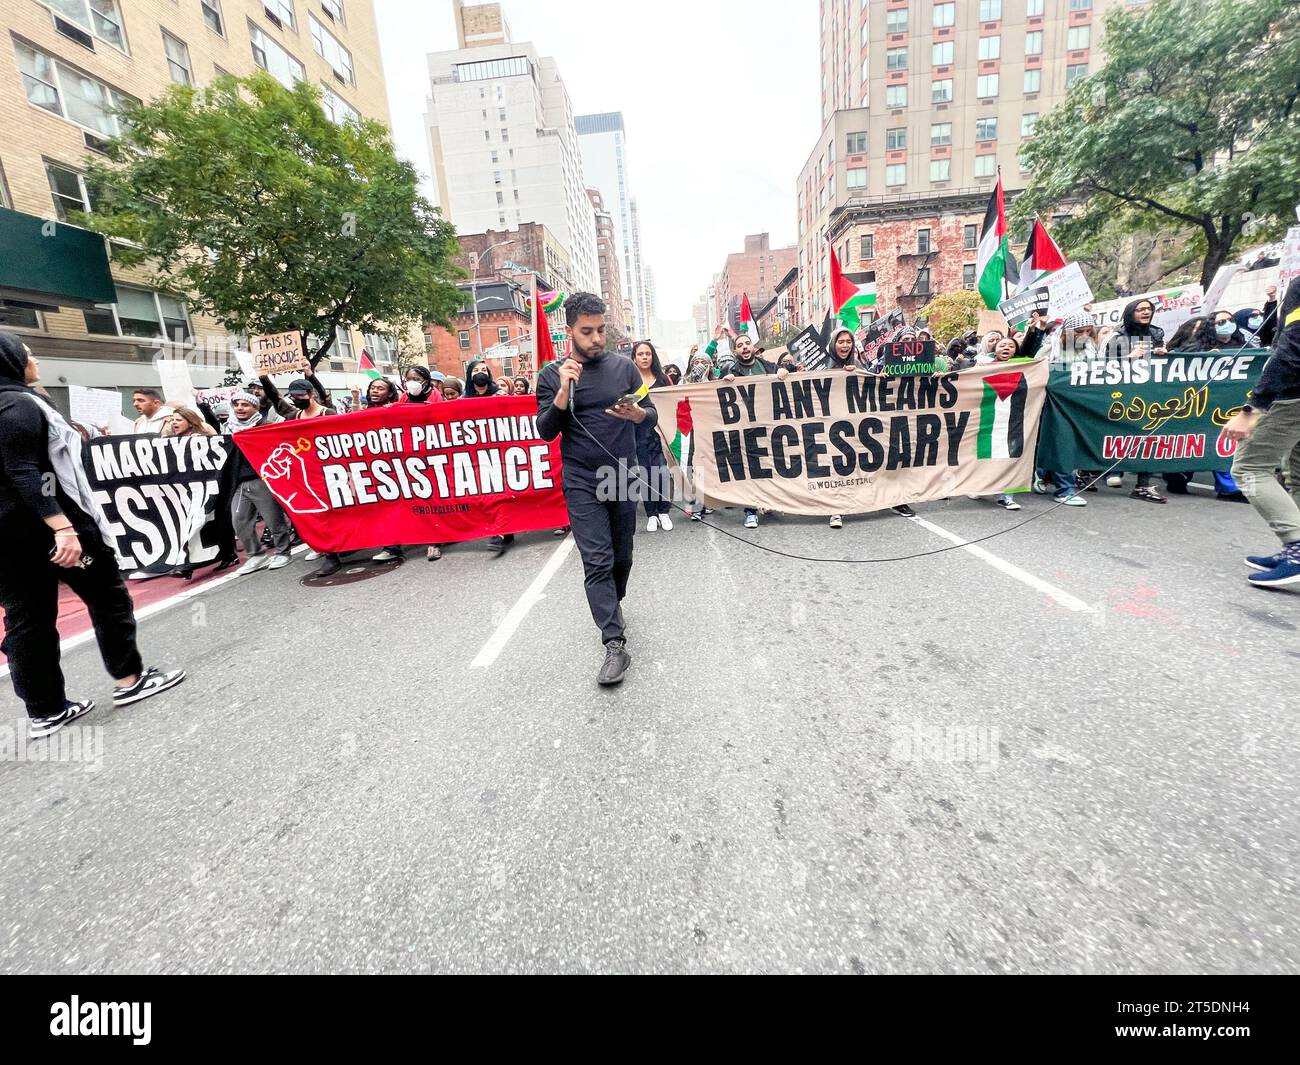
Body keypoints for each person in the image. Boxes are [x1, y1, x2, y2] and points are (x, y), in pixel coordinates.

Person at [0, 333, 185, 738]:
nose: (36, 359)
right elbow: (22, 473)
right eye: (27, 354)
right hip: (53, 529)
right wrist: (63, 528)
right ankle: (130, 679)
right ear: (10, 360)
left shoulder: (16, 400)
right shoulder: (16, 404)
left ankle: (46, 709)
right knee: (106, 595)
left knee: (28, 619)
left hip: (8, 541)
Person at [535, 293, 656, 685]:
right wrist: (563, 391)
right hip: (581, 479)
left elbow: (649, 413)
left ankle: (612, 602)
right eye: (587, 331)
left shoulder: (625, 369)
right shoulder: (553, 375)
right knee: (598, 561)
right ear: (569, 331)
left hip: (622, 474)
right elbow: (545, 430)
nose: (596, 338)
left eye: (601, 330)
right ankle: (614, 643)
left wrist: (639, 414)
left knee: (622, 557)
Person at [1226, 276, 1300, 587]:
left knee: (1249, 468)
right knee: (1297, 472)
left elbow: (1293, 349)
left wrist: (1252, 409)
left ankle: (1296, 547)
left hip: (1293, 395)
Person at [1103, 297, 1167, 502]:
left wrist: (1161, 353)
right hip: (1122, 393)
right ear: (1131, 312)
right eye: (1141, 309)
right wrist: (1130, 357)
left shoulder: (1156, 333)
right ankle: (1100, 471)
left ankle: (1143, 485)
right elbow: (1104, 365)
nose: (1146, 312)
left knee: (1148, 433)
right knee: (1116, 434)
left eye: (1149, 309)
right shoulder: (1117, 336)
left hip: (1149, 392)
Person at [224, 390, 295, 574]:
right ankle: (256, 555)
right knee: (239, 521)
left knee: (273, 519)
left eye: (245, 404)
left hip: (262, 479)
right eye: (237, 404)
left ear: (255, 407)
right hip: (239, 482)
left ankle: (283, 552)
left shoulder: (264, 426)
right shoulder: (227, 428)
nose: (240, 408)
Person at [719, 326, 775, 529]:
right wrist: (724, 383)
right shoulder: (730, 370)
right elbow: (717, 396)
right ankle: (750, 511)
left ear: (753, 347)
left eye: (747, 343)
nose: (744, 347)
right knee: (750, 469)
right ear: (735, 351)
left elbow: (788, 378)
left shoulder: (769, 367)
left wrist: (785, 373)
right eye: (739, 345)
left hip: (768, 426)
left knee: (769, 465)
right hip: (744, 429)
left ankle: (767, 501)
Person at [631, 341, 673, 532]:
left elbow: (674, 402)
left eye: (648, 353)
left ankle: (664, 511)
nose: (645, 357)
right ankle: (651, 514)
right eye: (641, 354)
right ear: (634, 358)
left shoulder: (663, 379)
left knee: (662, 472)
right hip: (638, 434)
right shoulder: (629, 380)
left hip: (661, 434)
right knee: (645, 474)